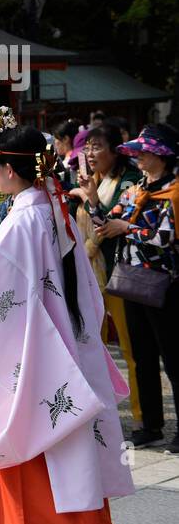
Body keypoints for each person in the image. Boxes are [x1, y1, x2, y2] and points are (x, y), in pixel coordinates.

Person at [0, 126, 136, 524]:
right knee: (39, 452)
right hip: (60, 349)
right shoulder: (53, 211)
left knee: (50, 451)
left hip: (34, 355)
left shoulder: (23, 220)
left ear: (8, 169)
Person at [98, 124, 179, 453]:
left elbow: (164, 238)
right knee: (142, 356)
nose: (139, 156)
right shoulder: (136, 189)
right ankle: (150, 425)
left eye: (145, 152)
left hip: (166, 287)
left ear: (162, 154)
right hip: (133, 282)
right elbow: (109, 218)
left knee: (173, 359)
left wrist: (125, 227)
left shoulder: (173, 191)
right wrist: (98, 212)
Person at [69, 123, 143, 421]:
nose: (90, 152)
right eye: (87, 147)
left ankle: (141, 416)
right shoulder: (89, 179)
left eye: (97, 146)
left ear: (116, 150)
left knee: (131, 351)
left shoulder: (131, 180)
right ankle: (96, 415)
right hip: (90, 274)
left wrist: (88, 196)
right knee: (90, 345)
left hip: (119, 272)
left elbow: (112, 221)